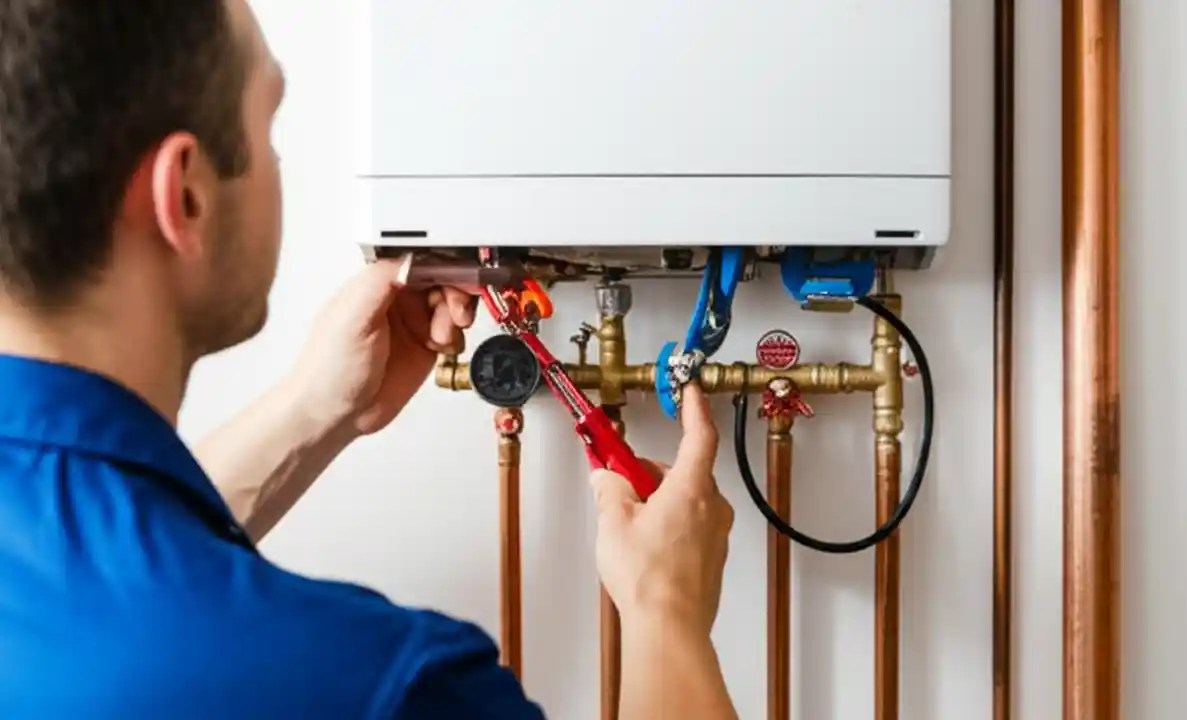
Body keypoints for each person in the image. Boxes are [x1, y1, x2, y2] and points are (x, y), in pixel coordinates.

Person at [0, 2, 737, 718]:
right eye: (270, 125)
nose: (280, 162)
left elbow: (110, 573)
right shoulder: (384, 687)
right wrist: (663, 609)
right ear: (187, 195)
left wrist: (316, 412)